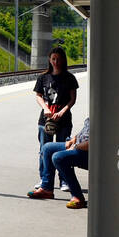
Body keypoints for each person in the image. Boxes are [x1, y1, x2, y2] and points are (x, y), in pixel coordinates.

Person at [32, 48, 78, 191]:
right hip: (45, 121)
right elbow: (38, 95)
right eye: (53, 59)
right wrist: (46, 108)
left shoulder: (70, 78)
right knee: (43, 150)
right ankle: (44, 178)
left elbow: (72, 99)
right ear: (49, 60)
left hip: (63, 120)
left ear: (63, 60)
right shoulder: (43, 77)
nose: (56, 62)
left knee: (62, 150)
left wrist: (63, 111)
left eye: (58, 59)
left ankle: (63, 180)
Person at [29, 117, 89, 208]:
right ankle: (47, 189)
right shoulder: (94, 114)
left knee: (58, 157)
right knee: (47, 148)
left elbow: (93, 143)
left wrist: (75, 147)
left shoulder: (104, 119)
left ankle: (77, 197)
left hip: (90, 154)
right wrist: (73, 140)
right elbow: (85, 132)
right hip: (79, 145)